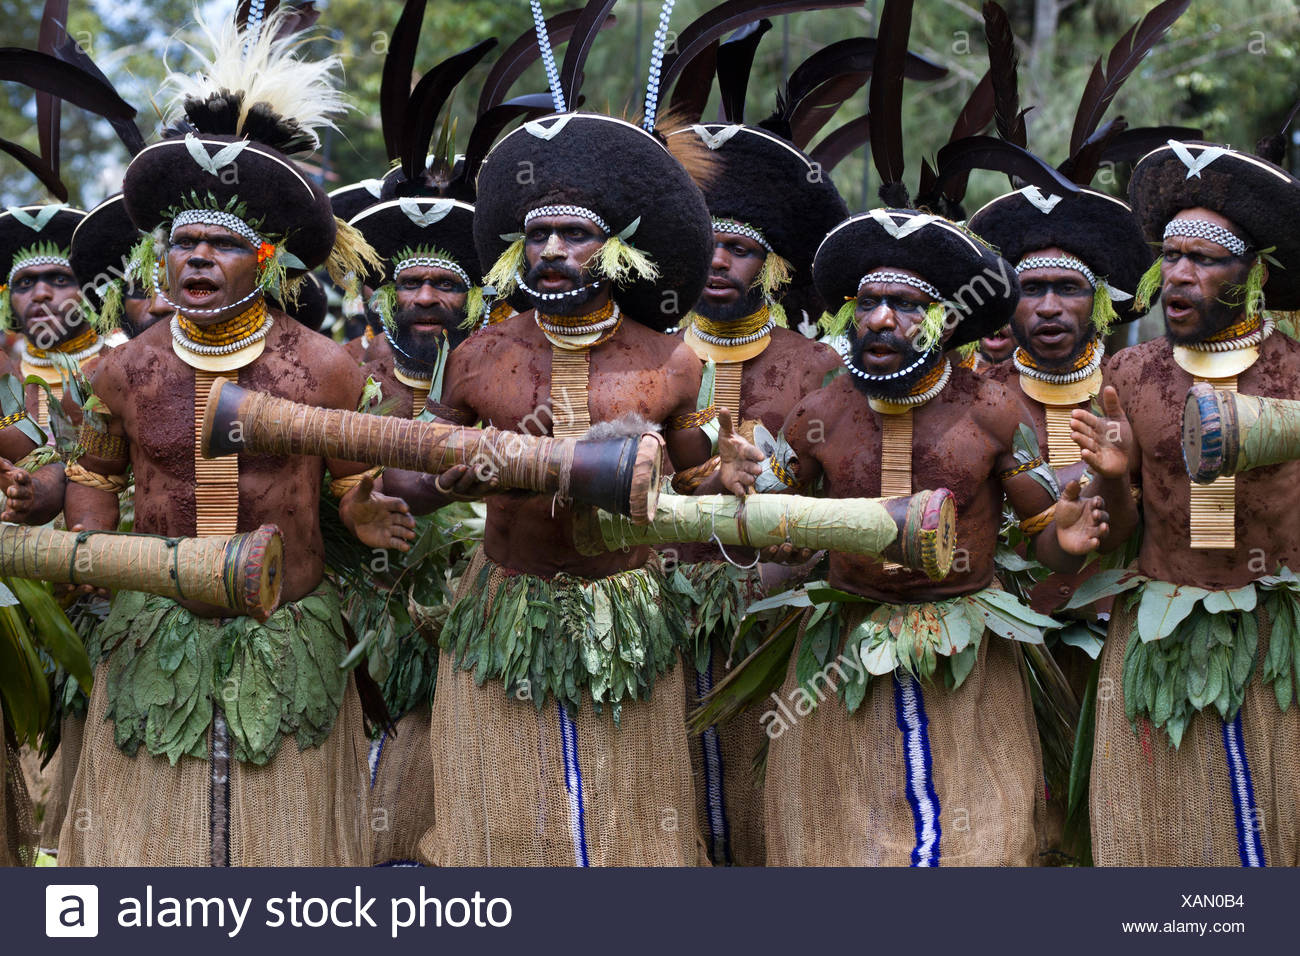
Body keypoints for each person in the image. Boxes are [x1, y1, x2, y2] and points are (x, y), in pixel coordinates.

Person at [57, 9, 413, 866]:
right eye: (183, 244)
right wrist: (86, 551)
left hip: (289, 627)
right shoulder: (125, 370)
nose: (199, 260)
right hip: (155, 625)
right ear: (159, 259)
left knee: (281, 845)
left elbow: (350, 482)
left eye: (222, 244)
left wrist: (362, 510)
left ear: (268, 258)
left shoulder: (325, 368)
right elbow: (93, 474)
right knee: (159, 844)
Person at [412, 108, 760, 866]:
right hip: (503, 604)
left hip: (626, 615)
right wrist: (436, 474)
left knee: (625, 823)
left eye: (575, 236)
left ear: (618, 250)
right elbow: (414, 482)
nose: (552, 252)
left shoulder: (671, 362)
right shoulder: (478, 356)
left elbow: (699, 503)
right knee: (502, 821)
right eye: (537, 237)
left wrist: (727, 481)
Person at [755, 208, 1108, 865]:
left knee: (982, 844)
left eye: (907, 306)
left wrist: (1070, 538)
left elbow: (1043, 539)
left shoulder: (991, 410)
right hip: (842, 656)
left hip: (968, 657)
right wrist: (783, 544)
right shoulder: (818, 413)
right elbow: (773, 526)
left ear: (945, 319)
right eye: (869, 304)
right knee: (841, 846)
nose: (883, 320)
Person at [1072, 140, 1300, 866]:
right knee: (1165, 844)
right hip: (1157, 634)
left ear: (1253, 273)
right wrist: (1111, 475)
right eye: (1170, 257)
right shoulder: (1130, 372)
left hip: (1278, 636)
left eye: (1205, 260)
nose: (1180, 275)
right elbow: (1120, 531)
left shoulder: (1295, 370)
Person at [662, 121, 845, 866]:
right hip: (660, 617)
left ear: (770, 265)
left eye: (739, 248)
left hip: (778, 623)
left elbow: (837, 487)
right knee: (667, 796)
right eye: (707, 242)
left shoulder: (816, 365)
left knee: (769, 806)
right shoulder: (653, 353)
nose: (718, 261)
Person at [346, 195, 488, 864]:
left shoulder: (499, 377)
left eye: (446, 285)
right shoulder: (347, 372)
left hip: (474, 613)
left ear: (476, 295)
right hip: (363, 610)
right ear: (387, 295)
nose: (427, 298)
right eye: (411, 283)